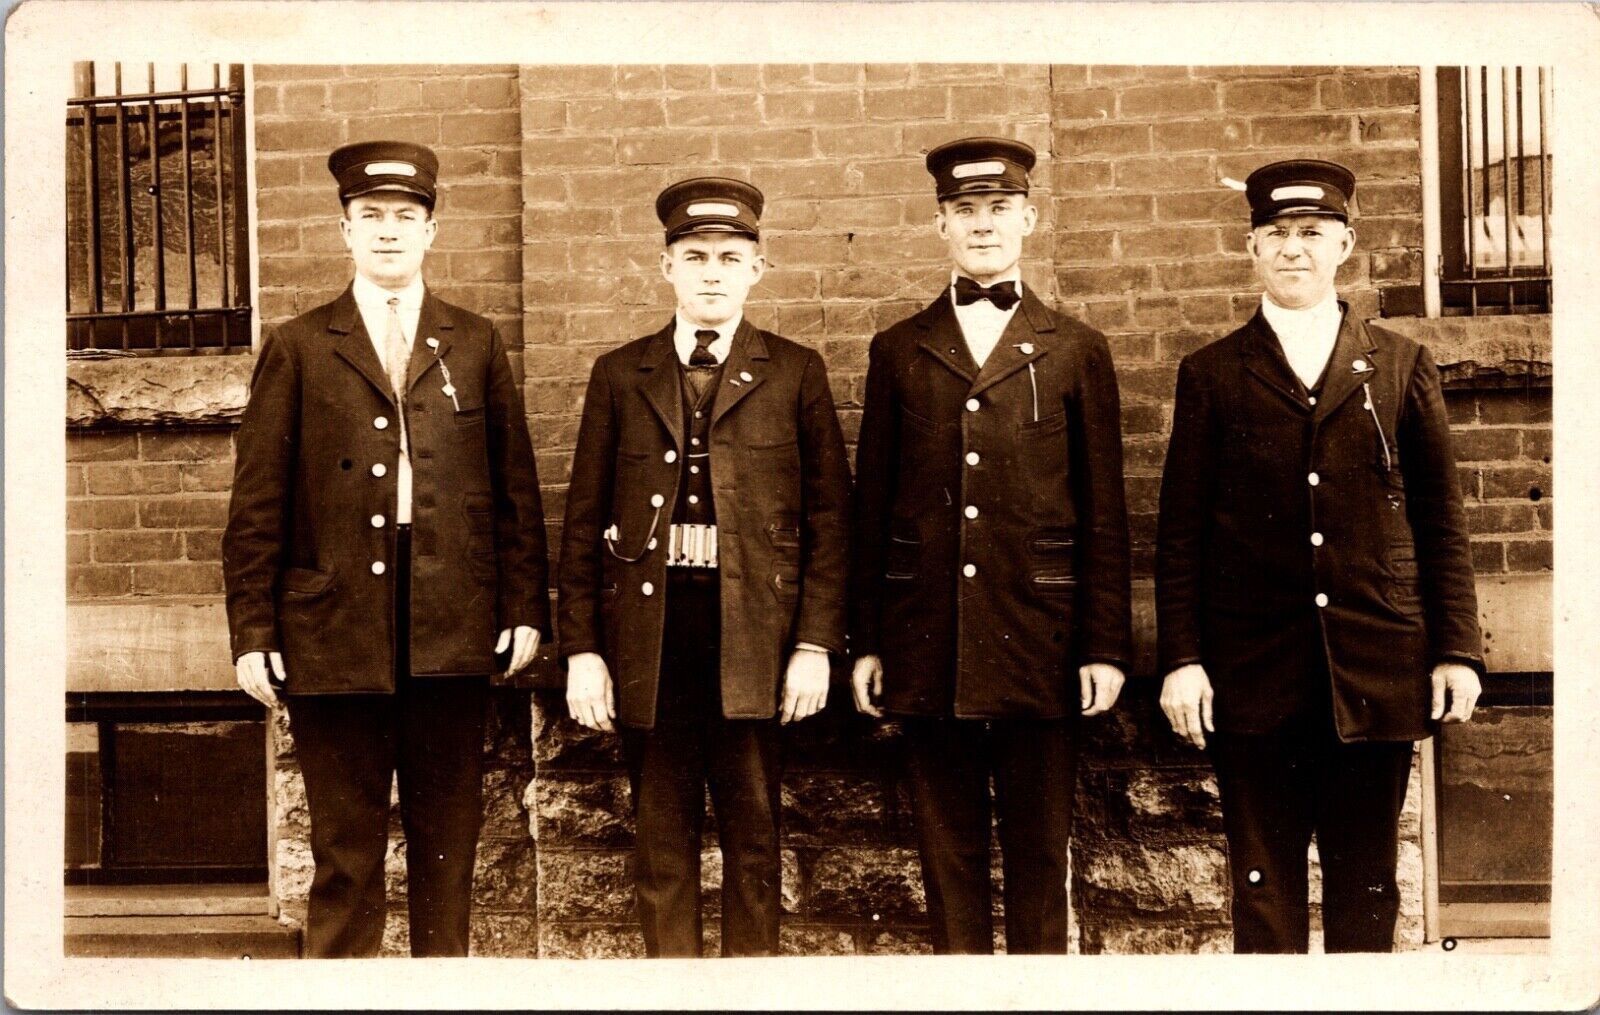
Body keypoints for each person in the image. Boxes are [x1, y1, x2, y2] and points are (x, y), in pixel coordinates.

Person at [222, 140, 550, 957]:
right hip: (333, 629)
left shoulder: (475, 342)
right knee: (345, 852)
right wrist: (253, 631)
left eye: (406, 216)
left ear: (431, 230)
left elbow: (513, 488)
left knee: (449, 848)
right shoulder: (299, 345)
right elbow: (256, 504)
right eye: (371, 216)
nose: (389, 231)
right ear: (346, 230)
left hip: (451, 624)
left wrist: (523, 608)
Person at [1156, 158, 1484, 953]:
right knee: (1262, 895)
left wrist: (1457, 649)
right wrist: (1183, 659)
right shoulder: (1212, 373)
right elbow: (1181, 533)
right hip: (1253, 675)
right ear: (1252, 249)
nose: (1293, 249)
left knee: (1366, 885)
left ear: (1345, 244)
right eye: (1275, 234)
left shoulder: (1399, 365)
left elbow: (1441, 521)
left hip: (1374, 666)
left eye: (1311, 232)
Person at [849, 137, 1132, 954]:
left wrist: (1104, 646)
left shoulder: (1076, 348)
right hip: (928, 638)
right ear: (940, 223)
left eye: (999, 209)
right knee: (947, 859)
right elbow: (874, 507)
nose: (982, 225)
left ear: (1028, 220)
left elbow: (1103, 510)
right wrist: (868, 641)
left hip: (1041, 640)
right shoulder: (899, 349)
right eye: (965, 210)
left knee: (1041, 857)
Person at [558, 177, 851, 957]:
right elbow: (583, 522)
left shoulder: (795, 371)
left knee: (754, 842)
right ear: (667, 267)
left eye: (729, 257)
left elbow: (830, 521)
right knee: (660, 844)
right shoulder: (620, 374)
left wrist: (814, 644)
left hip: (753, 638)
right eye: (694, 257)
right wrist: (583, 650)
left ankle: (747, 997)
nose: (712, 273)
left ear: (758, 268)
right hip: (652, 640)